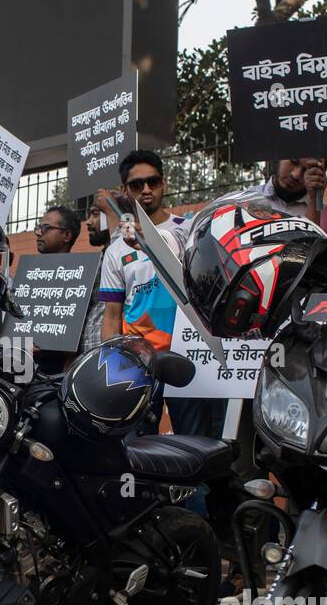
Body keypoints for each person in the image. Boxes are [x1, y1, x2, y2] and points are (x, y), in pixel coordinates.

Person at [96, 150, 213, 436]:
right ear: (125, 191)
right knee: (136, 447)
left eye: (153, 181)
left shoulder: (190, 230)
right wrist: (114, 367)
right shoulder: (116, 249)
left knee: (195, 443)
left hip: (190, 357)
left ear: (164, 184)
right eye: (137, 184)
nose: (146, 189)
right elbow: (112, 315)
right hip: (139, 362)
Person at [28, 205, 92, 373]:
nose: (38, 233)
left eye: (46, 228)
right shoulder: (29, 275)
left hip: (57, 375)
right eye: (38, 227)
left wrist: (67, 372)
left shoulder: (80, 277)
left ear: (67, 235)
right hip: (21, 367)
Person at [247, 158, 327, 222]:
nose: (295, 175)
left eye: (306, 170)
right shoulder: (247, 200)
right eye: (293, 161)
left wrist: (314, 201)